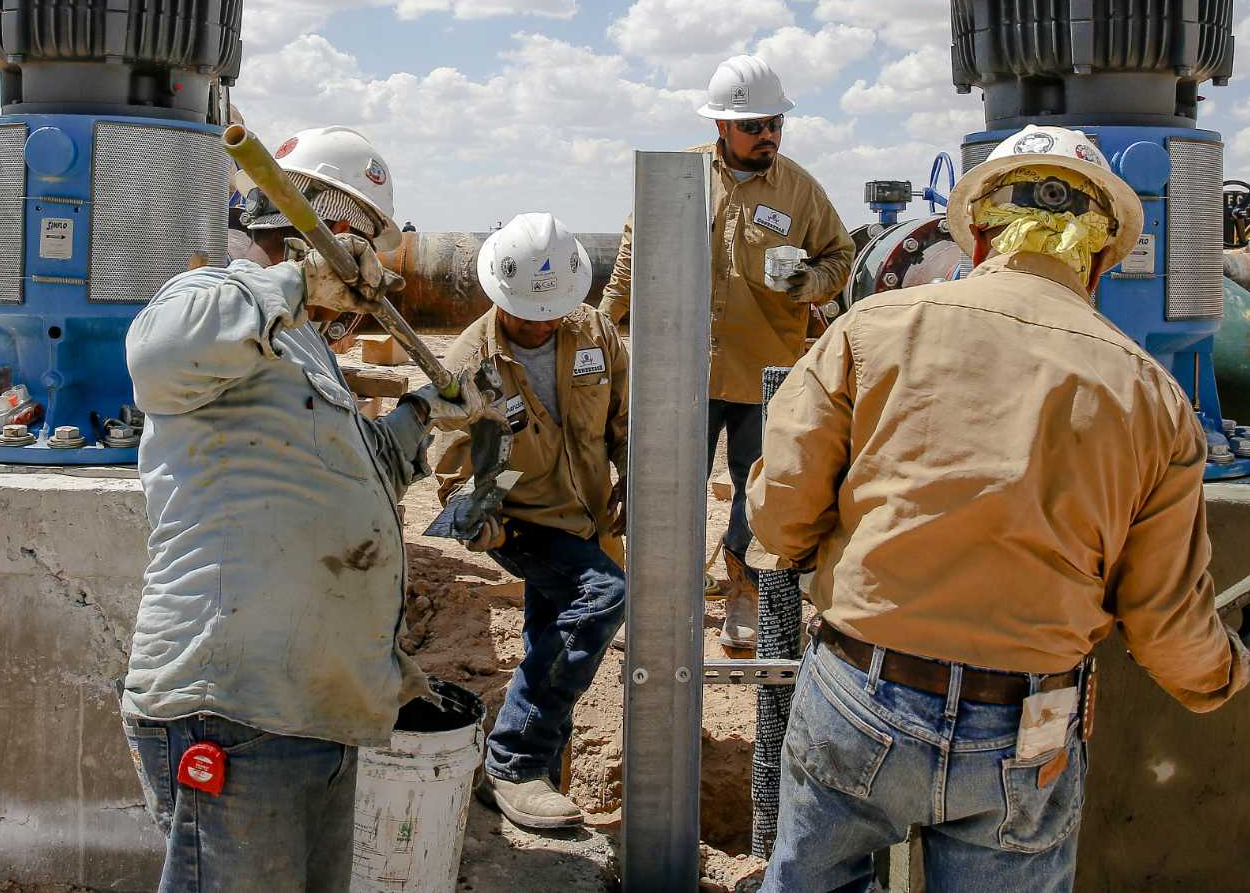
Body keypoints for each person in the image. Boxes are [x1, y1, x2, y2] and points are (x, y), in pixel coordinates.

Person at [747, 125, 1250, 892]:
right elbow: (1163, 617)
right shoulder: (1151, 394)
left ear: (980, 237)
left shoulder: (873, 330)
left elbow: (778, 513)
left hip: (860, 692)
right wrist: (1219, 671)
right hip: (1026, 726)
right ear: (1096, 257)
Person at [120, 125, 499, 893]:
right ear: (311, 229)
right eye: (355, 245)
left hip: (317, 711)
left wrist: (429, 412)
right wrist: (295, 284)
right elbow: (155, 360)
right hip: (234, 706)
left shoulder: (306, 351)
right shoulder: (217, 299)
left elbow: (362, 473)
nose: (366, 279)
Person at [599, 54, 852, 651]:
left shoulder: (799, 189)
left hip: (763, 369)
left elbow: (839, 257)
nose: (768, 136)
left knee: (754, 485)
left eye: (775, 125)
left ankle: (742, 591)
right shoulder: (677, 177)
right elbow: (633, 258)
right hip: (678, 370)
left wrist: (808, 285)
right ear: (721, 126)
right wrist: (601, 323)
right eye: (754, 126)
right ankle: (663, 598)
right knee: (666, 482)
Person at [437, 213, 628, 831]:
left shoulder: (594, 331)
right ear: (498, 292)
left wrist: (636, 479)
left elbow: (626, 415)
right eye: (527, 313)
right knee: (602, 595)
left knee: (557, 635)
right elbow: (447, 468)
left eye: (552, 312)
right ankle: (514, 761)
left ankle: (540, 775)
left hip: (587, 515)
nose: (540, 324)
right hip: (518, 517)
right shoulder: (472, 362)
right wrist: (478, 517)